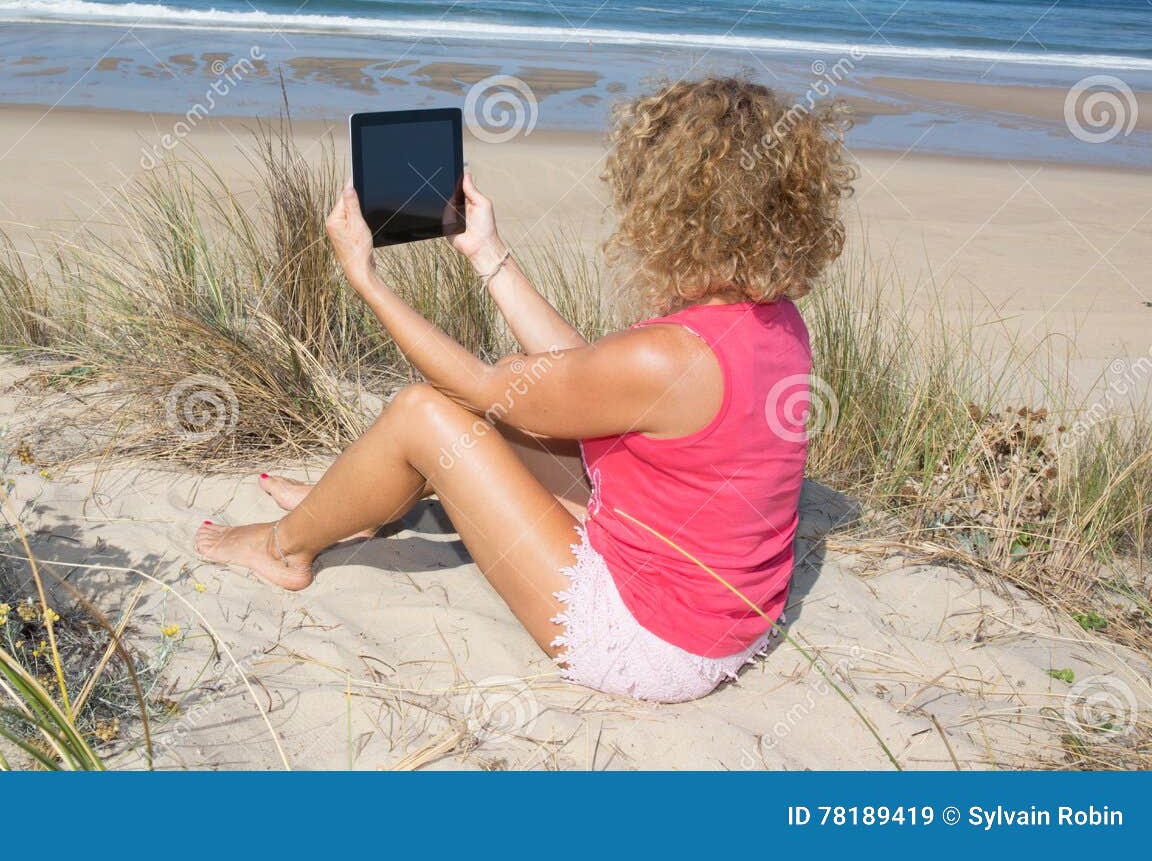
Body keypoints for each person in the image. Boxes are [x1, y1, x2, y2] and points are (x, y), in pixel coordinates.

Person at [195, 75, 854, 701]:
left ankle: (283, 547)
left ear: (670, 207)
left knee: (425, 411)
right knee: (509, 394)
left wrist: (366, 279)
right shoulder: (771, 320)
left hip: (653, 640)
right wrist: (487, 251)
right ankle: (354, 504)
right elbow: (587, 374)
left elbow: (483, 387)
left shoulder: (670, 355)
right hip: (729, 620)